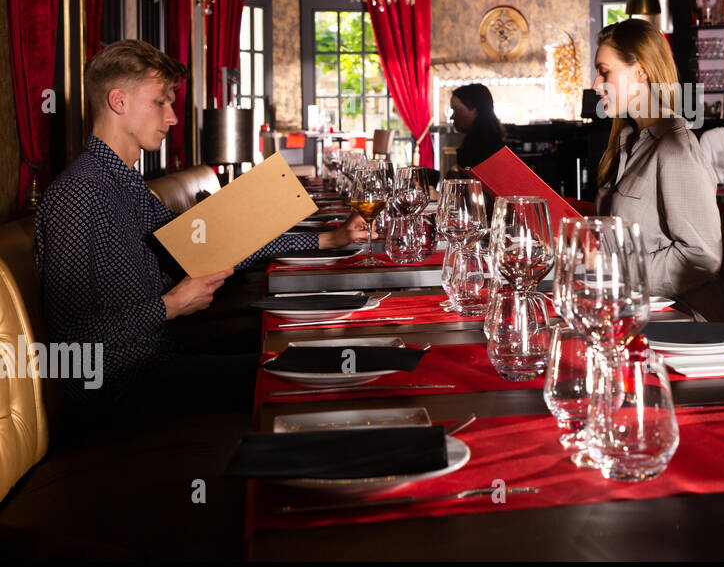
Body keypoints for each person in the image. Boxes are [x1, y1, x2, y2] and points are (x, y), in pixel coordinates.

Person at [33, 40, 368, 415]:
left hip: (162, 356)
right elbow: (70, 339)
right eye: (161, 102)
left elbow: (211, 243)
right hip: (121, 388)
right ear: (119, 102)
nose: (173, 118)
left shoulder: (125, 182)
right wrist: (170, 306)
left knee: (313, 348)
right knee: (307, 374)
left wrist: (328, 238)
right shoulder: (78, 193)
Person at [592, 19, 724, 323]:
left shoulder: (675, 148)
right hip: (634, 309)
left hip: (681, 320)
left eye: (604, 71)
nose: (595, 84)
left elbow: (701, 258)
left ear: (641, 71)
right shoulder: (628, 141)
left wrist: (611, 268)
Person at [449, 83, 506, 171]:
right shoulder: (477, 143)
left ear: (475, 111)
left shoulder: (487, 151)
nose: (452, 117)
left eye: (456, 109)